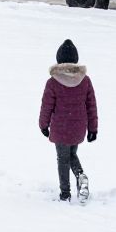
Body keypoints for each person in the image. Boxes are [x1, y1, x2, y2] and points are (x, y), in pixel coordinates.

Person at [39, 39, 98, 203]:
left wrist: (43, 125)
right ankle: (80, 176)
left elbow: (46, 106)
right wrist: (93, 128)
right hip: (79, 127)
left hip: (60, 127)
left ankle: (65, 193)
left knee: (62, 159)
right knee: (71, 154)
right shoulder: (85, 81)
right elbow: (91, 106)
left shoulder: (52, 83)